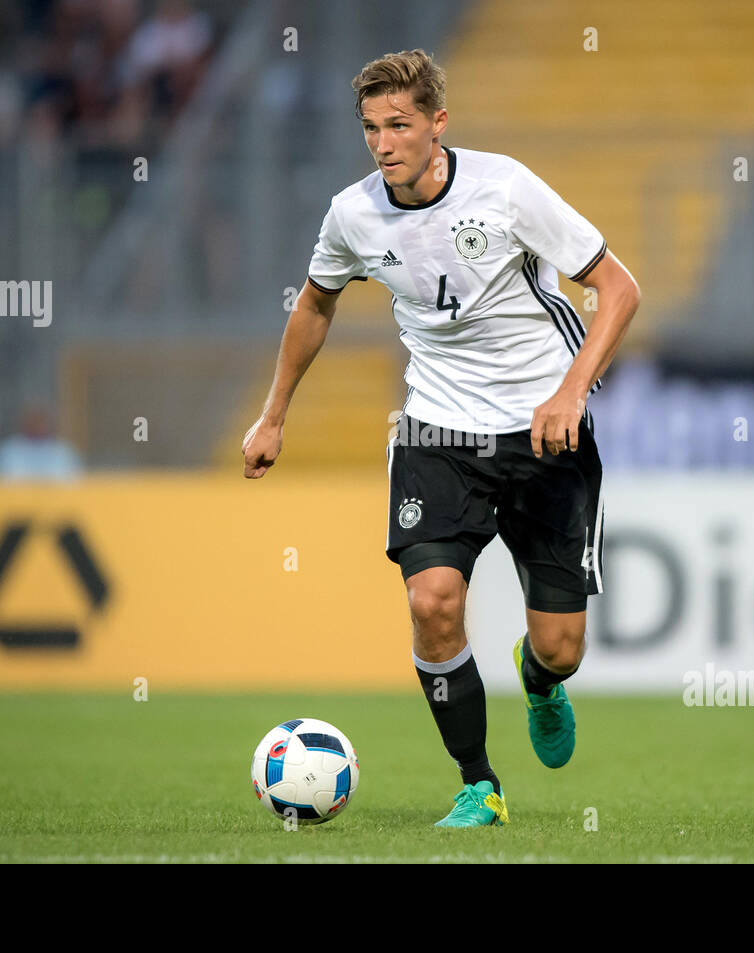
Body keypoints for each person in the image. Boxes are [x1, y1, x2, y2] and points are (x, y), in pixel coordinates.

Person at [240, 50, 641, 828]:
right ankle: (479, 784)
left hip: (543, 432)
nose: (384, 143)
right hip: (436, 432)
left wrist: (568, 392)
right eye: (370, 129)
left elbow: (617, 287)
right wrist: (274, 413)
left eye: (399, 125)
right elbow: (315, 305)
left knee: (561, 646)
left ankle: (540, 679)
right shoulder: (353, 214)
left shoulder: (507, 189)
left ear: (437, 124)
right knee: (433, 602)